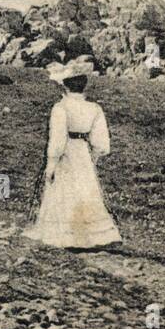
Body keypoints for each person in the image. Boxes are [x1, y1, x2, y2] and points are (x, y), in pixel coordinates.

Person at [24, 60, 121, 249]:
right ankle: (93, 236)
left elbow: (57, 140)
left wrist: (51, 164)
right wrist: (93, 157)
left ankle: (66, 236)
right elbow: (101, 142)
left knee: (64, 190)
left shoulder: (61, 108)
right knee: (86, 191)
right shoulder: (94, 108)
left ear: (65, 86)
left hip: (67, 152)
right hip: (83, 153)